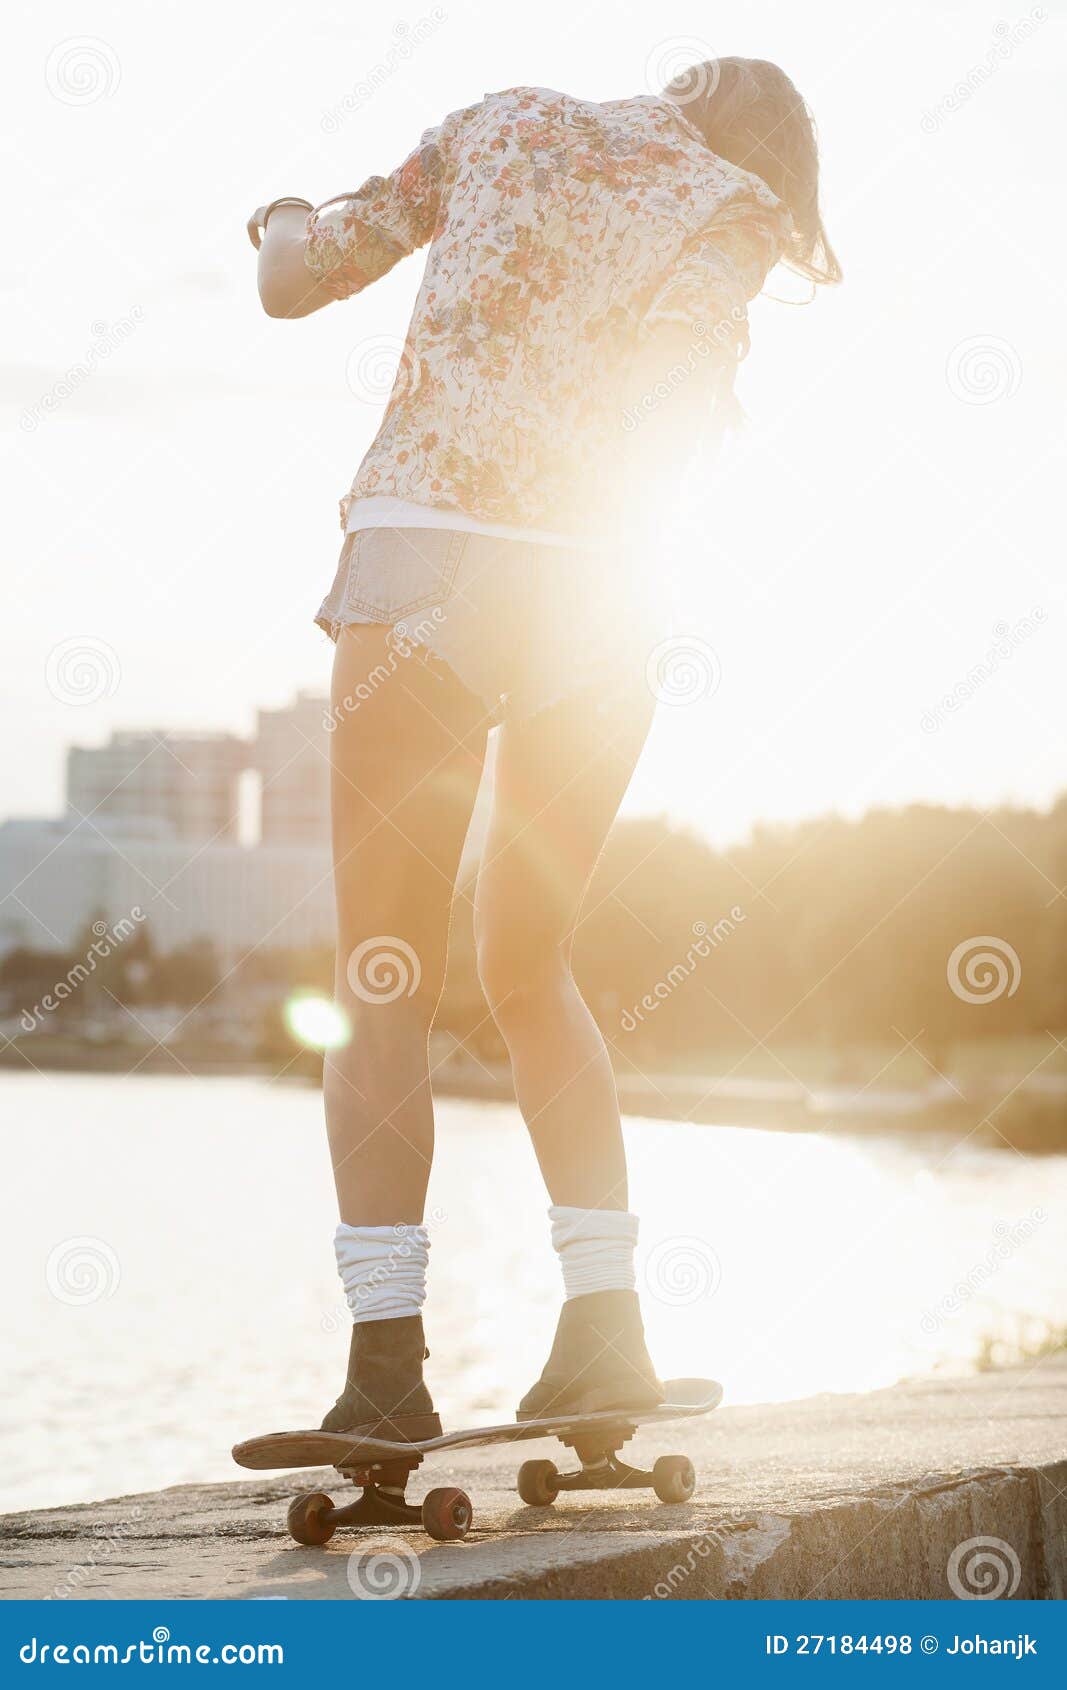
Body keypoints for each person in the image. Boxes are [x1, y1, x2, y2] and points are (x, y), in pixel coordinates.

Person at [248, 58, 839, 1446]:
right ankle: (604, 1338)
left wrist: (280, 211)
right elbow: (685, 409)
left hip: (426, 567)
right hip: (600, 597)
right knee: (532, 965)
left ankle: (389, 1368)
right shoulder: (735, 203)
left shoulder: (498, 120)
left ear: (682, 83)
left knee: (384, 976)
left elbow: (295, 280)